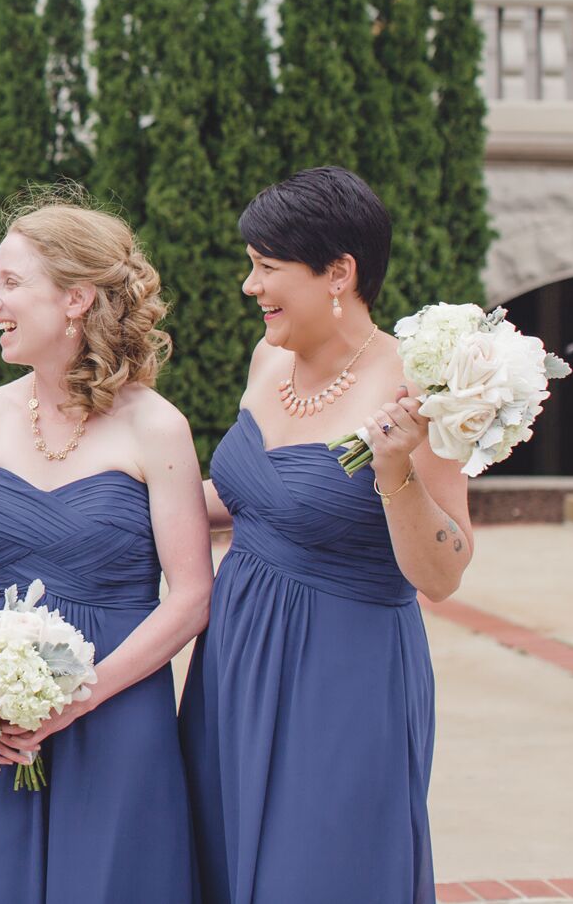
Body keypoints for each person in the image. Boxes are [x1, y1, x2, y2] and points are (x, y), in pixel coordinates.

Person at [181, 166, 471, 904]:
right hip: (234, 659)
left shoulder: (419, 388)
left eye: (268, 267)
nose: (250, 285)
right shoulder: (267, 360)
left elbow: (443, 571)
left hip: (344, 674)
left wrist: (395, 471)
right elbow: (256, 500)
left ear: (339, 271)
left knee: (320, 871)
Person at [0, 199, 208, 902]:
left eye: (9, 281)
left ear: (77, 297)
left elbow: (189, 596)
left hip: (118, 711)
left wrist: (78, 701)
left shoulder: (158, 427)